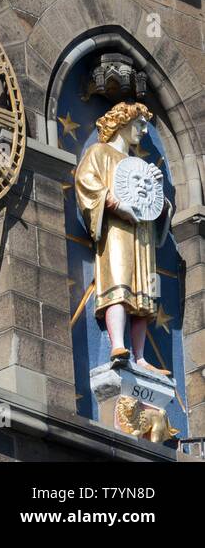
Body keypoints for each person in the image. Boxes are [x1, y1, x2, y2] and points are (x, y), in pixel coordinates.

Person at [74, 101, 172, 374]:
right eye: (139, 124)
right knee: (118, 282)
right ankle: (118, 345)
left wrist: (160, 194)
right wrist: (116, 206)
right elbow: (87, 182)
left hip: (142, 234)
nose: (143, 130)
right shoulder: (99, 153)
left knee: (144, 292)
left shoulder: (140, 165)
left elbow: (157, 205)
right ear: (122, 123)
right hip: (116, 230)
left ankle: (140, 357)